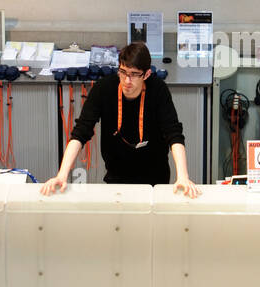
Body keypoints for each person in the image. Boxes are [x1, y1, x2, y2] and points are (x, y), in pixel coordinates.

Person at [40, 42, 200, 197]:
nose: (127, 81)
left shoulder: (158, 90)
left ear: (147, 74)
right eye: (123, 72)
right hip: (116, 176)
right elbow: (80, 132)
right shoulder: (104, 89)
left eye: (134, 74)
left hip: (154, 177)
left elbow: (174, 134)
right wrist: (62, 175)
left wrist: (183, 176)